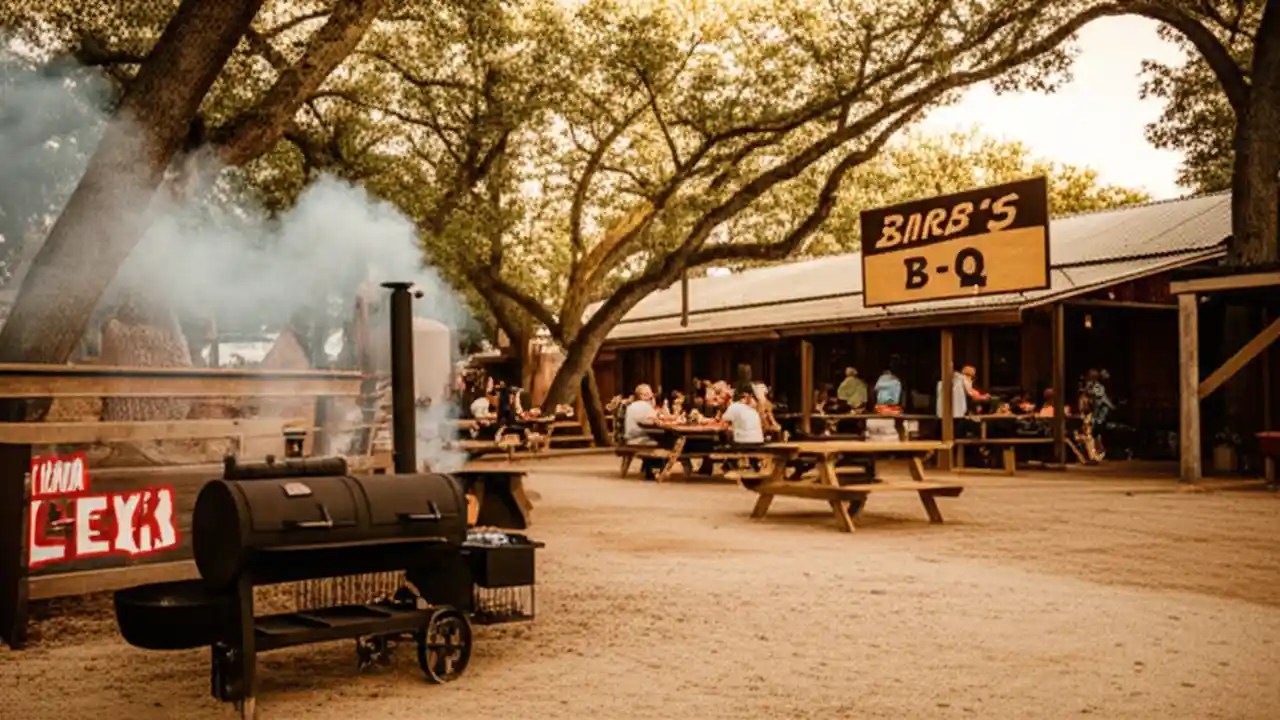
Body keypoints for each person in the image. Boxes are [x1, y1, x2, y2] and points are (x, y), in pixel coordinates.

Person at [623, 384, 664, 480]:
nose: (652, 396)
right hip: (638, 438)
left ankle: (647, 466)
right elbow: (656, 421)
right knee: (665, 444)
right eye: (649, 394)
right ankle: (653, 469)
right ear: (642, 395)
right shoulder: (644, 406)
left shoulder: (633, 405)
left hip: (631, 437)